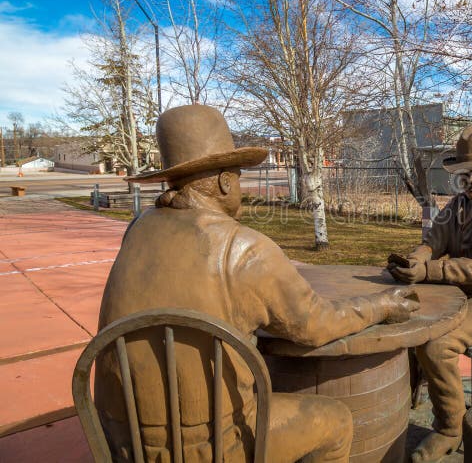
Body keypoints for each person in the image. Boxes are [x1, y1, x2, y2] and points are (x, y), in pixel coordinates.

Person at [96, 104, 418, 463]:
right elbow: (315, 324)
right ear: (224, 182)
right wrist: (382, 305)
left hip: (121, 444)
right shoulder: (244, 248)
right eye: (237, 174)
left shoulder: (137, 229)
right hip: (214, 448)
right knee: (336, 421)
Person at [388, 124, 472, 463]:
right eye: (466, 172)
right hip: (464, 297)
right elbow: (432, 242)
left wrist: (430, 271)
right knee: (405, 316)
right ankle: (401, 402)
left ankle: (450, 428)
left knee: (437, 343)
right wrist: (415, 261)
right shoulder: (457, 205)